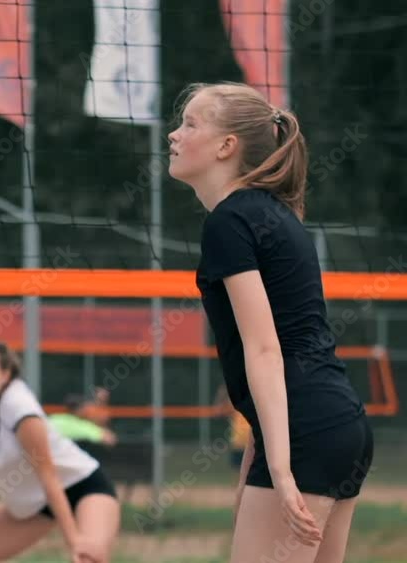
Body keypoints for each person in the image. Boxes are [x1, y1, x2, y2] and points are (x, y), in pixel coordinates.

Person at [168, 81, 373, 562]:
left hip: (305, 434)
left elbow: (265, 349)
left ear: (226, 146)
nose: (173, 135)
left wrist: (281, 469)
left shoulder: (231, 222)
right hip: (339, 424)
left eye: (190, 124)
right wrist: (260, 458)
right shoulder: (271, 214)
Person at [0, 341, 120, 563]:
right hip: (31, 505)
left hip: (83, 488)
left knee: (88, 558)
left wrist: (74, 540)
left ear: (5, 375)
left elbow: (48, 475)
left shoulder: (19, 407)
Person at [48, 394, 118, 447]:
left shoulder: (53, 419)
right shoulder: (82, 425)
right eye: (86, 407)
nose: (88, 409)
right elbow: (110, 440)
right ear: (80, 409)